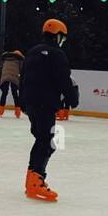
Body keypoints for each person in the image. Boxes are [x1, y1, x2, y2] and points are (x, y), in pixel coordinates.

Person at [18, 19, 77, 201]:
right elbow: (63, 79)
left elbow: (23, 78)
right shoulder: (57, 55)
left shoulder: (32, 52)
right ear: (58, 35)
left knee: (42, 139)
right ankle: (36, 180)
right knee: (48, 140)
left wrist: (22, 102)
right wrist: (72, 98)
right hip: (44, 103)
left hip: (31, 103)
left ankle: (32, 177)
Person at [0, 49, 24, 117]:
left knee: (4, 93)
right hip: (14, 77)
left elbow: (0, 70)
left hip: (4, 76)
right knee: (15, 93)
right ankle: (17, 112)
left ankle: (1, 110)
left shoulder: (6, 59)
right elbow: (22, 70)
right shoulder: (20, 60)